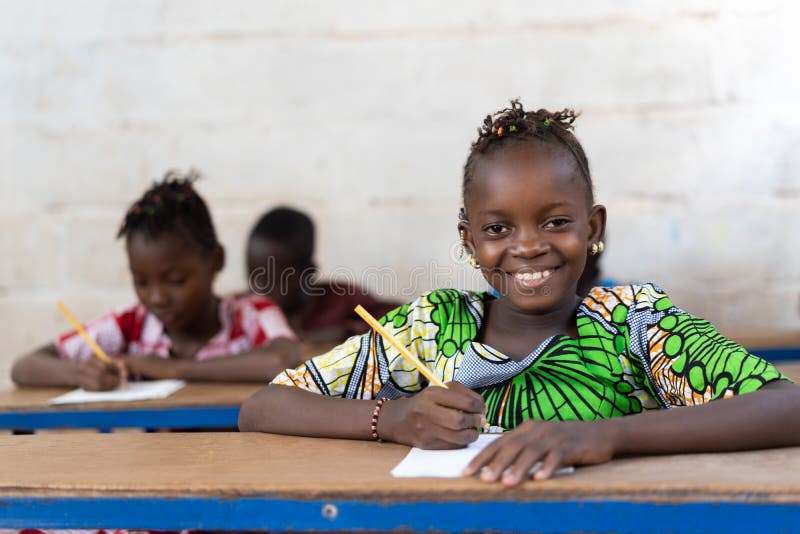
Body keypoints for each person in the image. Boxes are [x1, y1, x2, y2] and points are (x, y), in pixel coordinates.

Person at [238, 101, 800, 486]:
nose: (528, 247)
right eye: (498, 228)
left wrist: (605, 435)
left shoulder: (632, 323)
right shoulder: (431, 326)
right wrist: (394, 419)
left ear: (593, 228)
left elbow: (786, 404)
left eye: (555, 222)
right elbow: (262, 407)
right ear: (469, 241)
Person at [12, 171, 301, 391]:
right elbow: (24, 367)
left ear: (215, 261)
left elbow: (282, 361)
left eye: (175, 280)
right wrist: (82, 374)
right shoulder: (129, 325)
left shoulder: (252, 314)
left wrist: (175, 369)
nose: (157, 298)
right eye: (141, 282)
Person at [246, 206, 399, 344]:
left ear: (308, 273)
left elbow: (399, 321)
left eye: (276, 282)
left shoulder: (341, 298)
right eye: (254, 277)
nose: (260, 289)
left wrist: (349, 332)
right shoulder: (244, 312)